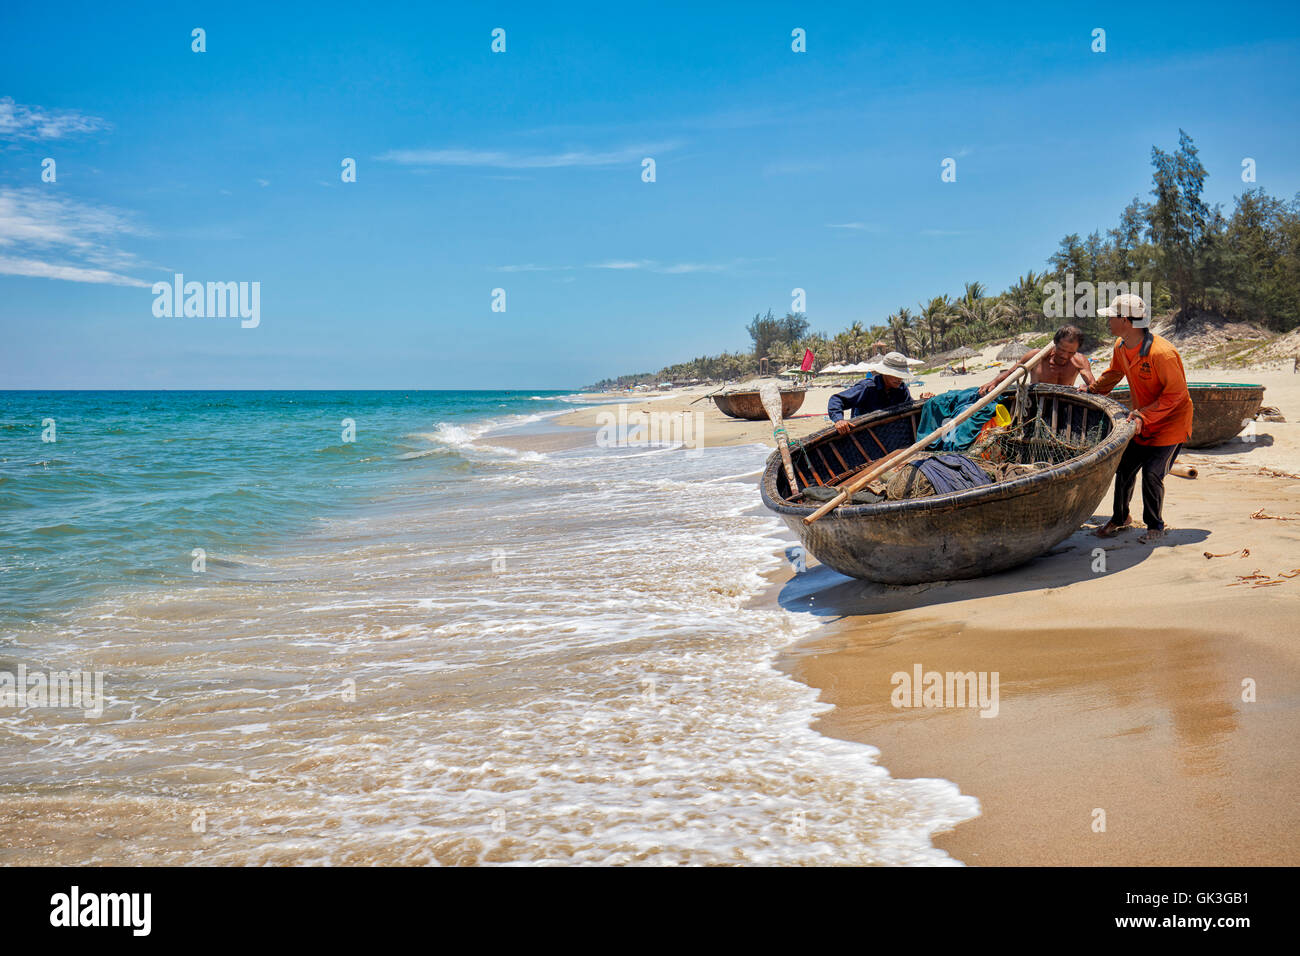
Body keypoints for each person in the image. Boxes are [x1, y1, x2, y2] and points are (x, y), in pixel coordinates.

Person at [1079, 293, 1193, 543]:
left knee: (1153, 472)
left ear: (1127, 321)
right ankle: (1120, 518)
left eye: (1112, 317)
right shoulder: (1121, 346)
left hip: (1171, 423)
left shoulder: (1162, 353)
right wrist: (1093, 390)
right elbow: (1114, 373)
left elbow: (1176, 395)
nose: (1108, 321)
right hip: (1143, 421)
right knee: (1125, 468)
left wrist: (1144, 414)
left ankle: (1155, 525)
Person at [828, 352, 933, 435]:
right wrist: (839, 420)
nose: (899, 379)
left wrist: (922, 400)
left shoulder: (901, 388)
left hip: (890, 434)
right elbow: (836, 399)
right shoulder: (867, 387)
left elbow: (909, 407)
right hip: (863, 434)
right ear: (885, 373)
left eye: (901, 375)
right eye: (895, 375)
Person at [978, 325, 1094, 396]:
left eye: (1071, 352)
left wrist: (1089, 388)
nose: (1065, 356)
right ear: (1055, 343)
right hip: (1035, 404)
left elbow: (1092, 384)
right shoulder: (1036, 356)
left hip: (1062, 406)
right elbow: (1011, 373)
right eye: (1062, 350)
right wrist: (993, 382)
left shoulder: (1079, 360)